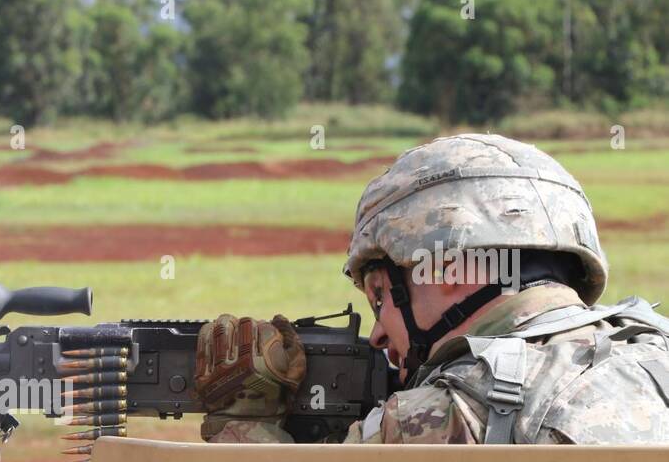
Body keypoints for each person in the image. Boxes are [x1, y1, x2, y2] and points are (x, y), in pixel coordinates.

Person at [195, 133, 669, 444]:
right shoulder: (656, 354)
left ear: (447, 269)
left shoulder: (443, 417)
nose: (378, 334)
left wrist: (244, 423)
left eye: (380, 295)